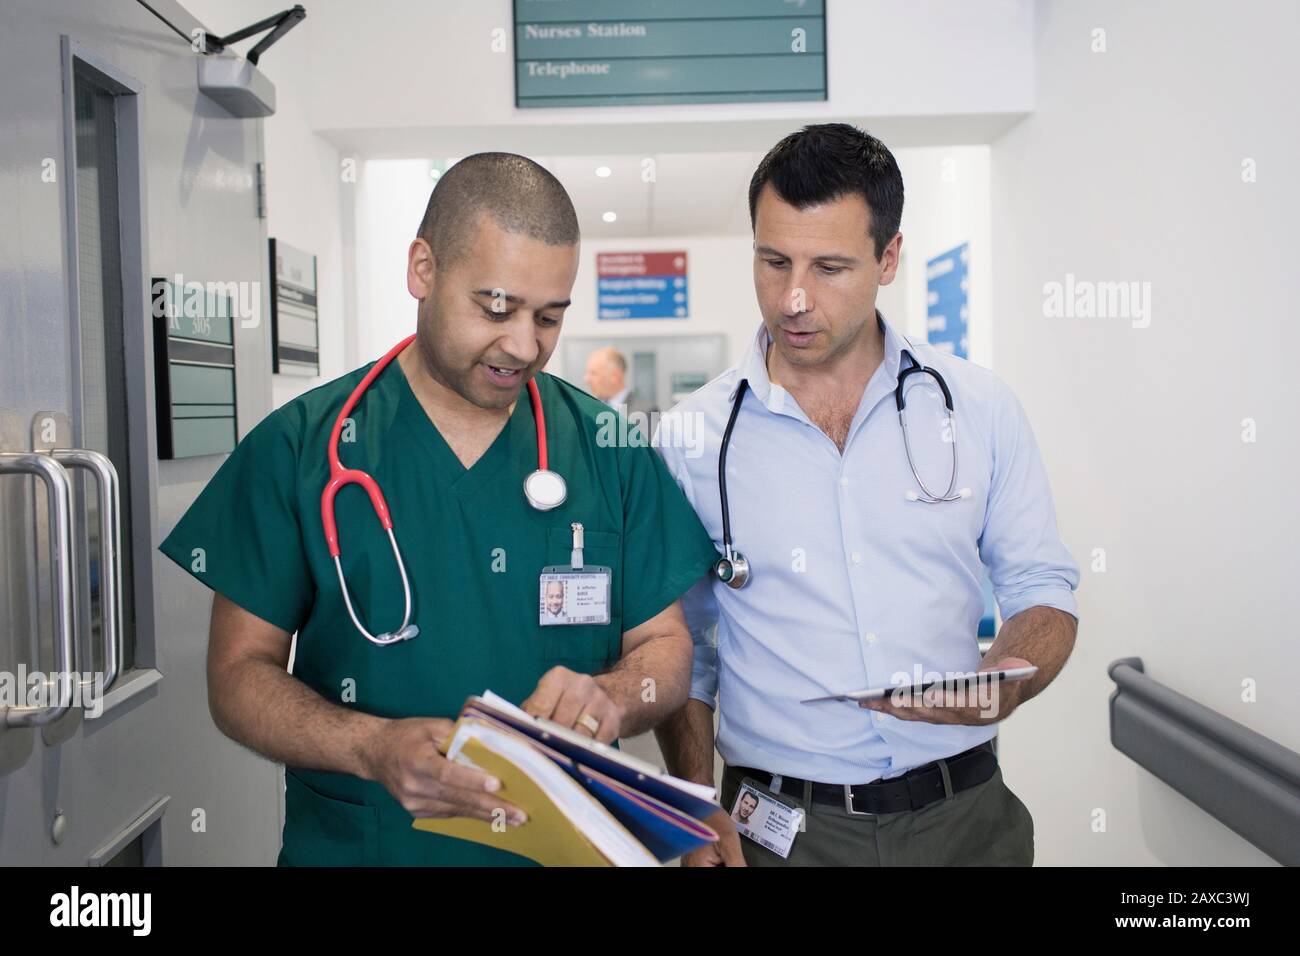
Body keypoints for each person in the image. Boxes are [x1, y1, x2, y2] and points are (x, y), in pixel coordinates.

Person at [160, 152, 720, 866]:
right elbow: (237, 676)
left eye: (549, 317)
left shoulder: (608, 449)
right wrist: (368, 747)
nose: (524, 345)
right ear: (422, 269)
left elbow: (666, 651)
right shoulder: (302, 447)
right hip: (366, 849)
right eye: (496, 307)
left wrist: (613, 695)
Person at [653, 124, 1080, 867]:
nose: (793, 297)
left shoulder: (976, 408)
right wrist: (693, 810)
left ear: (888, 259)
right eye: (773, 260)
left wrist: (1004, 681)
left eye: (829, 267)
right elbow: (686, 654)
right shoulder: (695, 439)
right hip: (780, 832)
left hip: (967, 820)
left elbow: (1042, 589)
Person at [584, 346, 655, 419]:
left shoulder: (646, 412)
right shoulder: (589, 411)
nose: (587, 379)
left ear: (614, 377)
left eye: (593, 373)